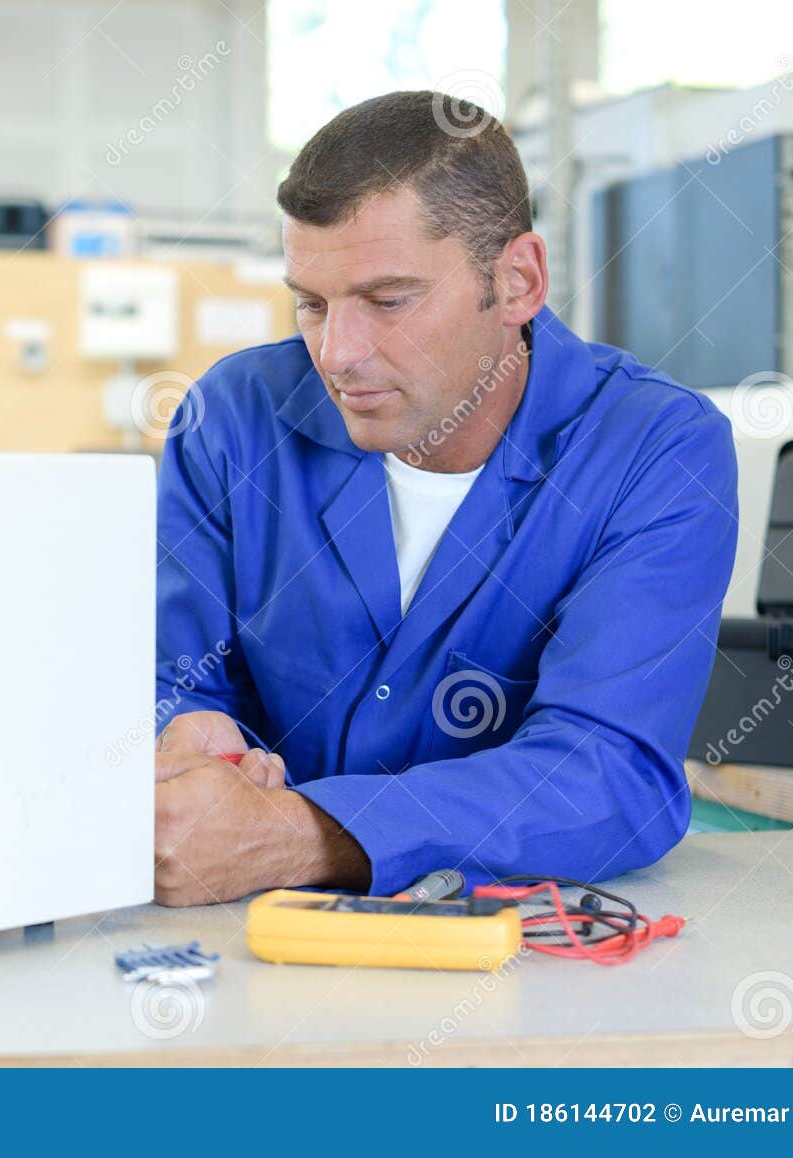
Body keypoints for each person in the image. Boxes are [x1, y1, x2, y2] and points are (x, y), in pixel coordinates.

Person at [152, 90, 737, 906]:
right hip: (248, 945)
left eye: (388, 301)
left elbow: (608, 772)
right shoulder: (233, 419)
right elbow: (171, 679)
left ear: (519, 280)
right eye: (312, 304)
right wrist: (183, 734)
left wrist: (297, 836)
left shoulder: (654, 448)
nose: (338, 354)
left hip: (517, 964)